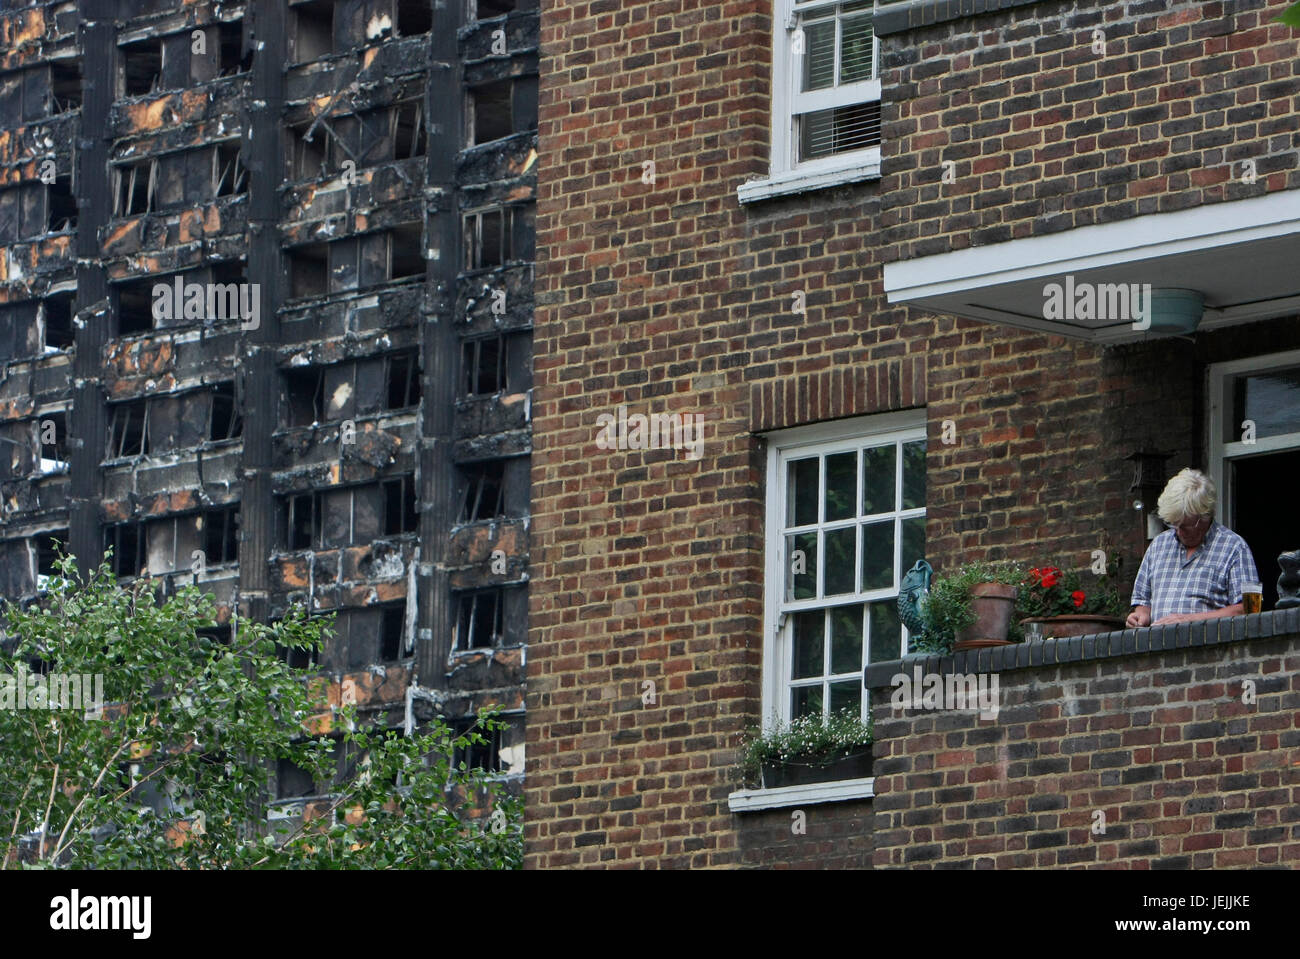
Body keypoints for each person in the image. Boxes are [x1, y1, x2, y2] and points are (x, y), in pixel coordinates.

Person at [1126, 468, 1258, 627]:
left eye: (1186, 526)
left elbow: (1251, 608)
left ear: (1205, 516)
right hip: (1159, 649)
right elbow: (1142, 600)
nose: (1179, 531)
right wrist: (1141, 615)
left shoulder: (1235, 547)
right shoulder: (1157, 546)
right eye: (1173, 524)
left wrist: (1189, 620)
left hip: (1211, 650)